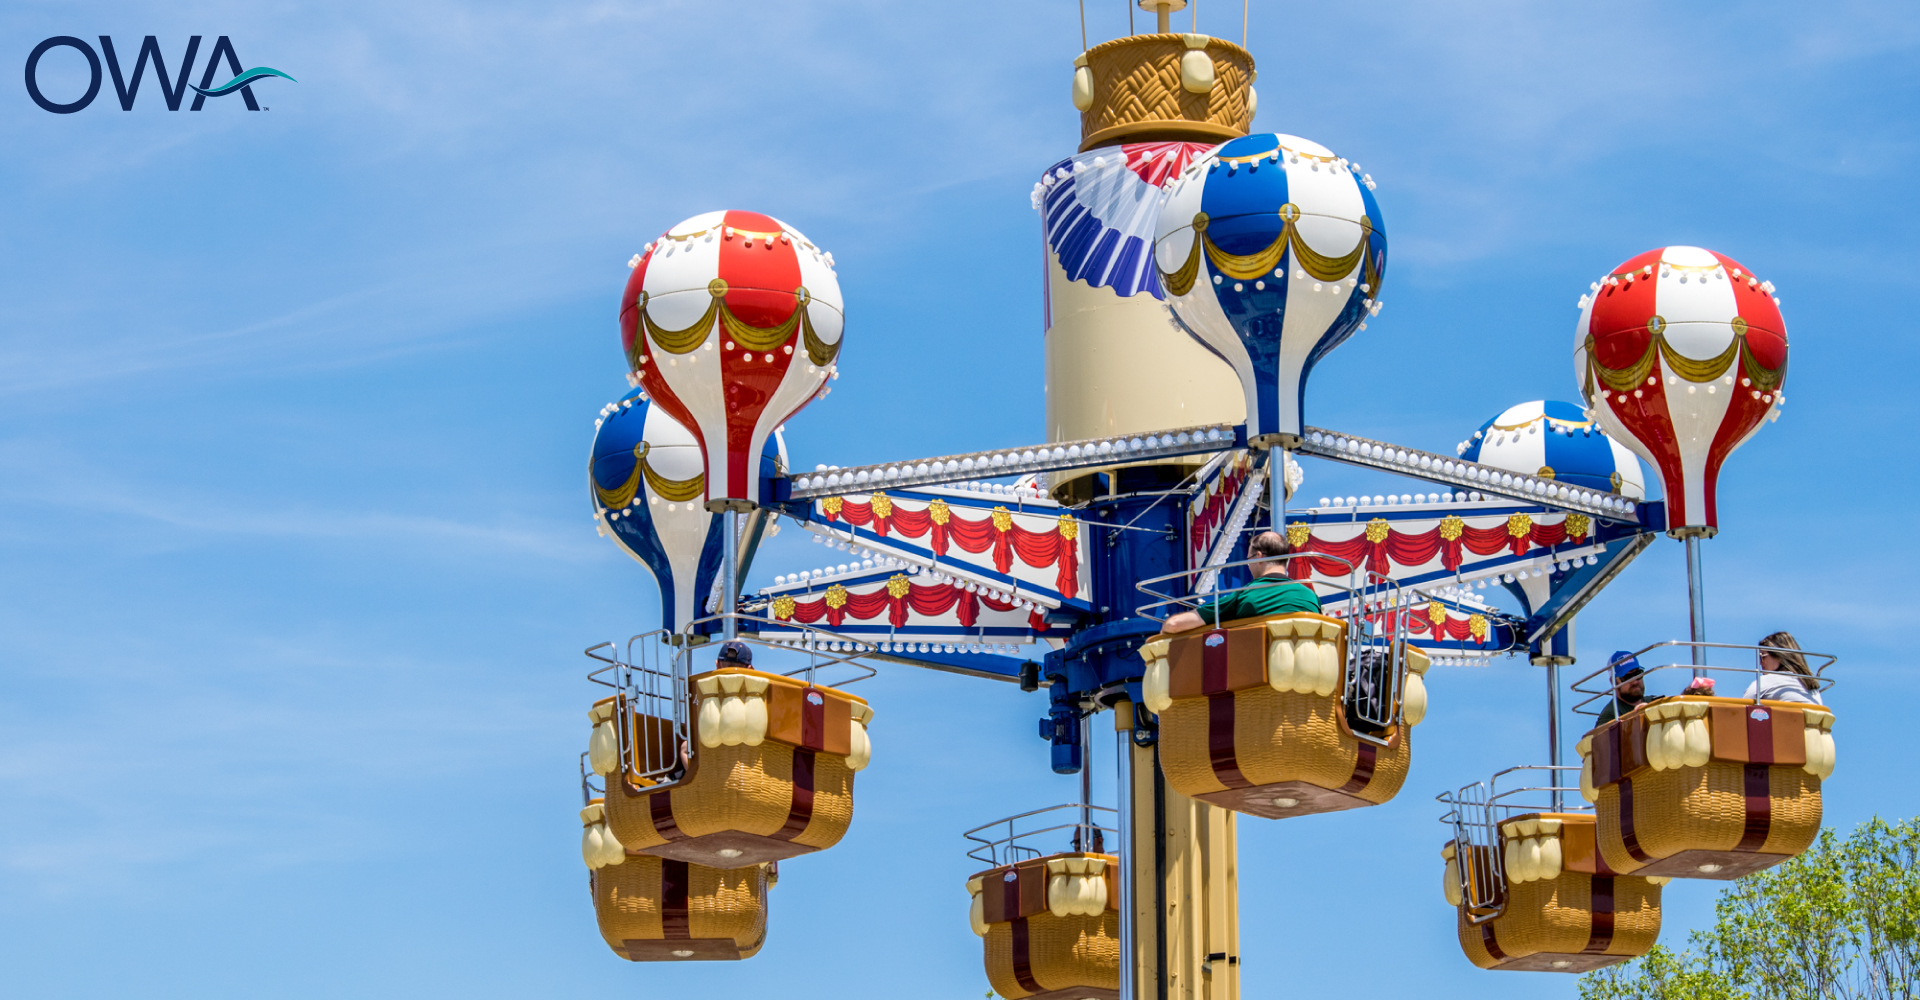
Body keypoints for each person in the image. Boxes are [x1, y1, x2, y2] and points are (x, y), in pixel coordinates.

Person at [1163, 530, 1321, 633]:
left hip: (1262, 678)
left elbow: (1174, 624)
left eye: (1249, 559)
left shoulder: (1245, 595)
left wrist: (1165, 629)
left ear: (1259, 557)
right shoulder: (1311, 596)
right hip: (1313, 677)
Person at [1742, 631, 1824, 705]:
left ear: (1779, 656)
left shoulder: (1765, 682)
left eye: (1762, 656)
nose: (1760, 662)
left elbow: (1741, 708)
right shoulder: (1813, 690)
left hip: (1783, 721)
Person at [1595, 651, 1647, 725]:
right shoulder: (1610, 716)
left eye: (1637, 674)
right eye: (1627, 677)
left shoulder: (1654, 701)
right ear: (1614, 682)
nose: (1635, 682)